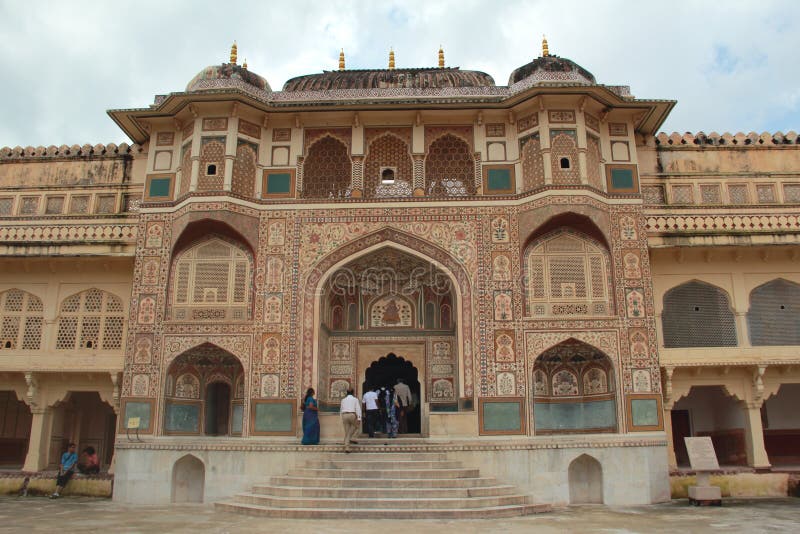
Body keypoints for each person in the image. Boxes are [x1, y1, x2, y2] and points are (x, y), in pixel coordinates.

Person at [339, 388, 361, 452]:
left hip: (344, 415)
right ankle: (350, 439)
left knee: (347, 431)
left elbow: (341, 409)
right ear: (353, 393)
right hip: (352, 415)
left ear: (347, 393)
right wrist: (359, 418)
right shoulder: (355, 399)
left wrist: (341, 417)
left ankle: (347, 445)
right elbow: (358, 409)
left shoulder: (343, 400)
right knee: (356, 427)